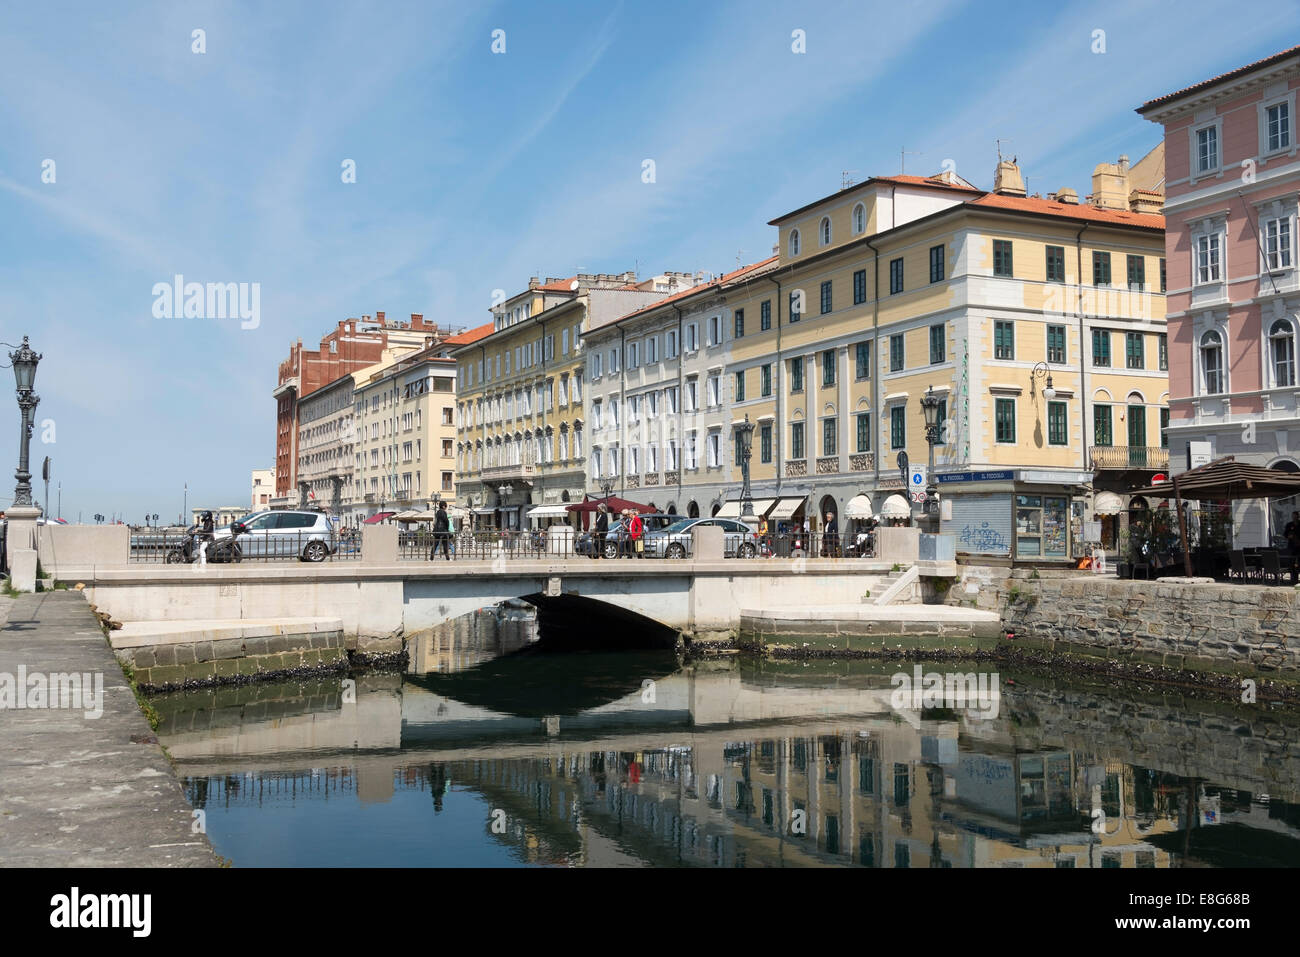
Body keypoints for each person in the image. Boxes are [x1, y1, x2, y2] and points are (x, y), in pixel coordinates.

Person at [1286, 510, 1300, 583]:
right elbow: (1285, 534)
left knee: (1299, 563)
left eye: (1296, 516)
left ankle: (1298, 578)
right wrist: (1289, 536)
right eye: (1293, 516)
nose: (1294, 518)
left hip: (1299, 547)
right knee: (1292, 563)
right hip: (1292, 547)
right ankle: (1293, 579)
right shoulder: (1289, 525)